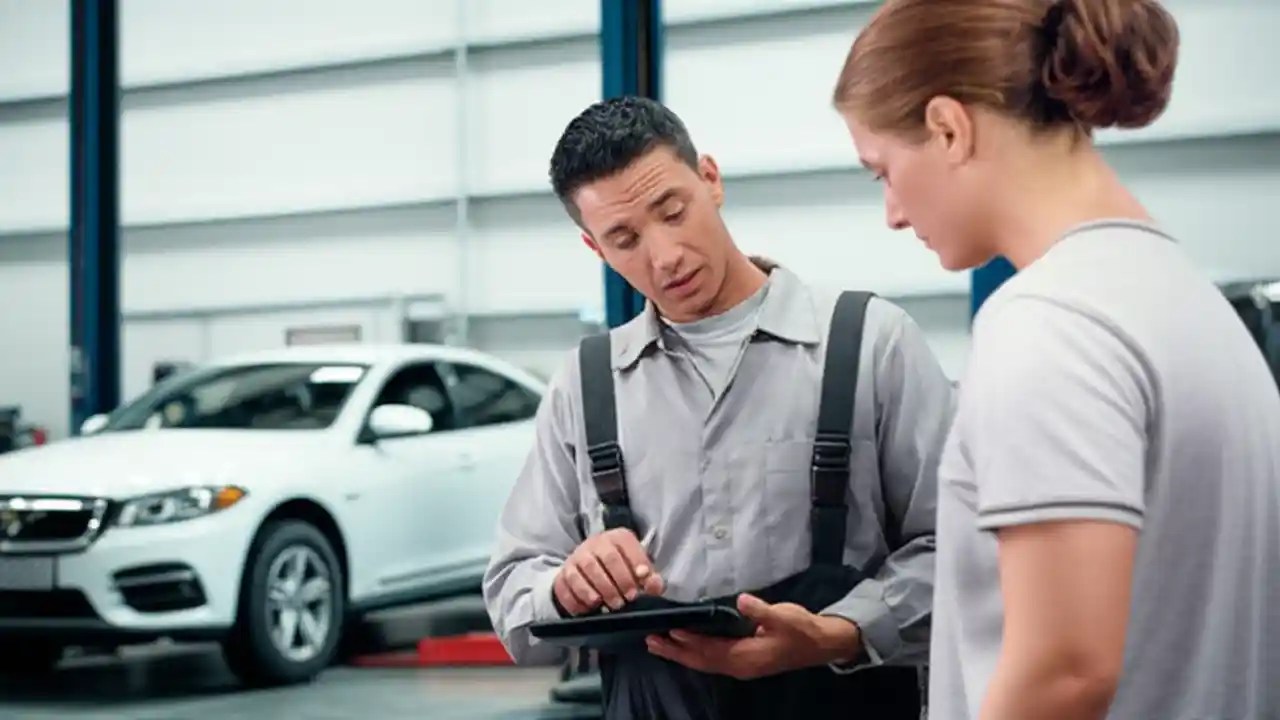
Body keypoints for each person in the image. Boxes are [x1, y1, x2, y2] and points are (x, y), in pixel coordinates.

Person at [830, 1, 1280, 719]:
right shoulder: (1191, 306)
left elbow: (1064, 670)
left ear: (949, 128)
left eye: (881, 171)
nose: (893, 213)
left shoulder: (1049, 324)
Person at [482, 96, 955, 719]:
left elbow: (958, 550)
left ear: (710, 178)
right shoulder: (585, 385)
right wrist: (566, 587)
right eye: (625, 239)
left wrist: (843, 633)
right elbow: (515, 595)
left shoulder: (871, 343)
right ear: (595, 248)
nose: (665, 256)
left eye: (672, 211)